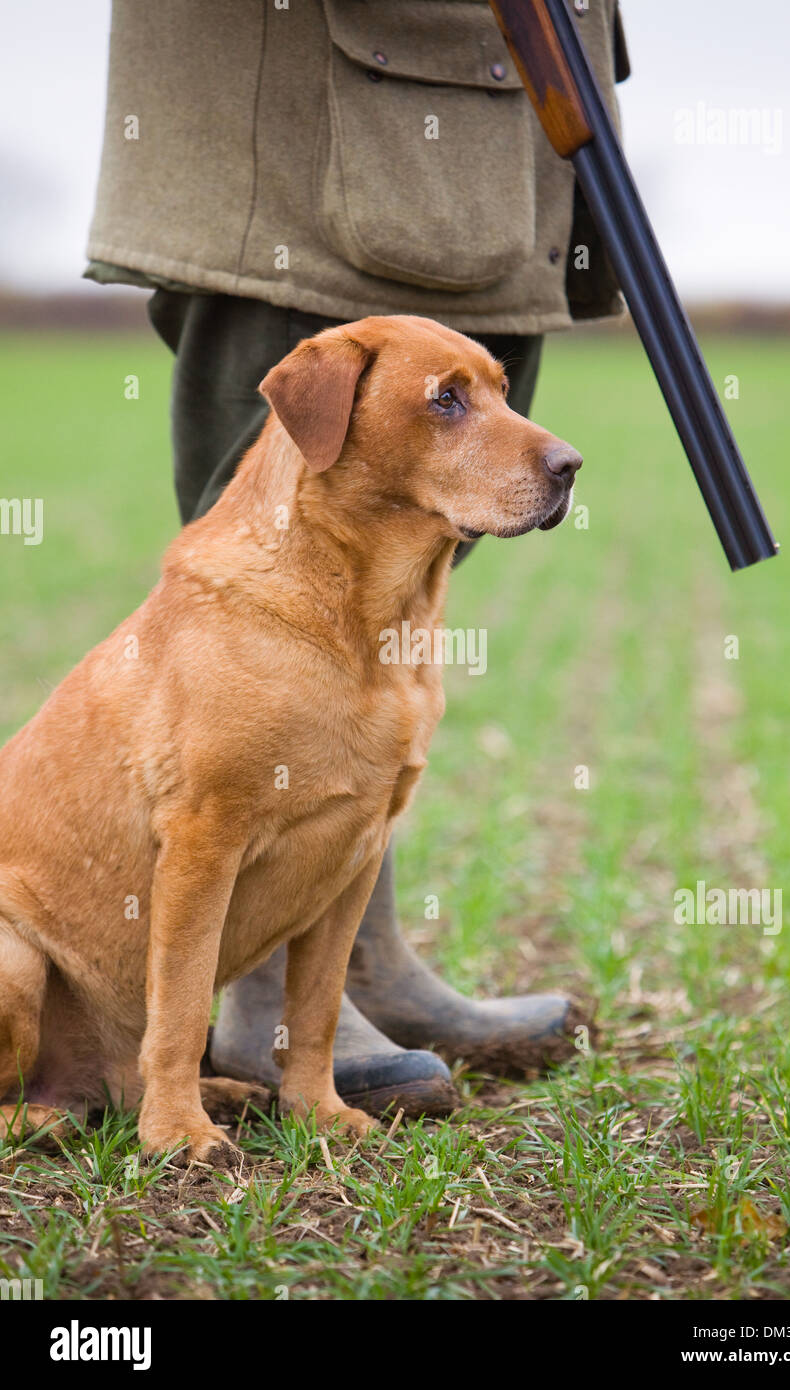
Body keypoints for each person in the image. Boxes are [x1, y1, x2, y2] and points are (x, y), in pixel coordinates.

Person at [85, 0, 631, 1117]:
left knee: (379, 589)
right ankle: (235, 1011)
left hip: (503, 140)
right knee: (268, 572)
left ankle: (361, 975)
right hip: (304, 132)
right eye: (449, 402)